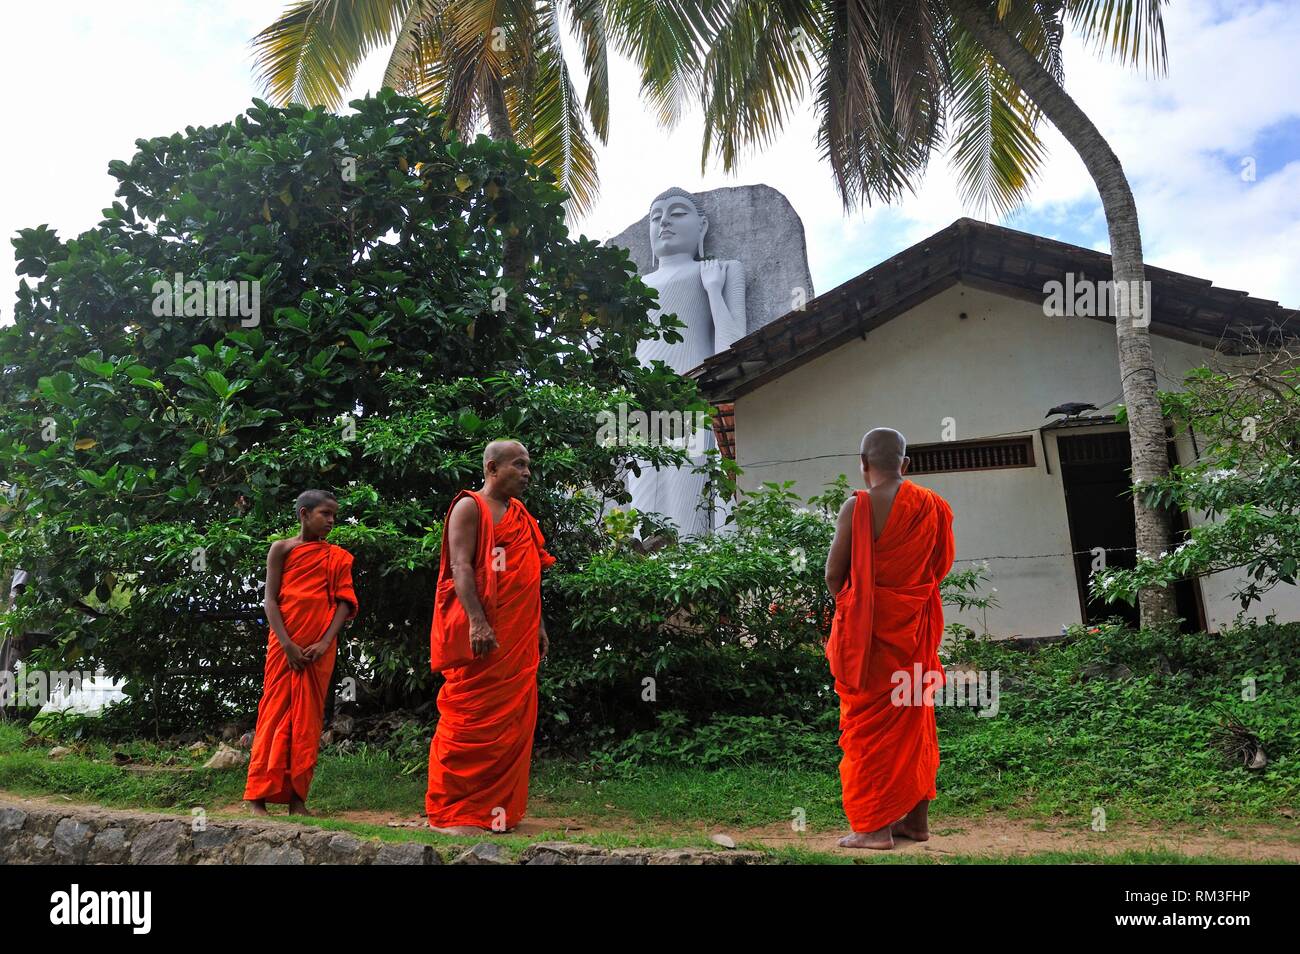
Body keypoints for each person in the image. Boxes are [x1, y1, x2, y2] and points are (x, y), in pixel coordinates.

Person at [824, 428, 955, 849]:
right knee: (914, 725)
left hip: (869, 643)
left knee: (869, 732)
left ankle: (874, 829)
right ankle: (915, 824)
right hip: (914, 632)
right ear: (906, 464)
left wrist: (858, 608)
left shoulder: (857, 507)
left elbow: (833, 574)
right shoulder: (933, 507)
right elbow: (939, 567)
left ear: (863, 463)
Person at [426, 440, 555, 834]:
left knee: (511, 724)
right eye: (519, 465)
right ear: (492, 467)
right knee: (469, 720)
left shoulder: (520, 514)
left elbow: (529, 575)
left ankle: (495, 812)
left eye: (529, 465)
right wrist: (477, 621)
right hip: (485, 636)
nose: (527, 473)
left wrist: (539, 625)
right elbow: (459, 567)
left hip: (518, 637)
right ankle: (455, 813)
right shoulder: (470, 507)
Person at [245, 490, 357, 815]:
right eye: (326, 514)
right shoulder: (281, 549)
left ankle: (298, 801)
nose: (332, 521)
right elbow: (270, 600)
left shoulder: (338, 557)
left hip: (319, 649)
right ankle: (257, 798)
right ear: (304, 514)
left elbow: (344, 602)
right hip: (285, 647)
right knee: (274, 716)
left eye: (334, 515)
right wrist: (287, 644)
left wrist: (323, 642)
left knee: (307, 723)